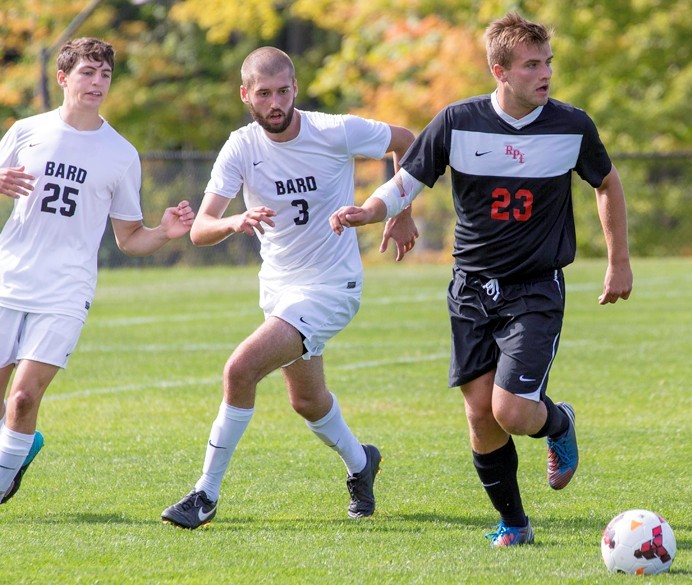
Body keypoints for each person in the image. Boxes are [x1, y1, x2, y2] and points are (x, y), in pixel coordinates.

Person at [330, 12, 632, 546]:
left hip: (535, 288)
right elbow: (410, 179)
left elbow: (605, 182)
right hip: (471, 287)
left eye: (548, 63)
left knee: (511, 409)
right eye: (532, 65)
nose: (545, 74)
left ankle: (558, 423)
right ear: (500, 71)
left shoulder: (571, 125)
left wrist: (619, 260)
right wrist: (369, 210)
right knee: (480, 413)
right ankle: (515, 523)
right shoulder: (456, 121)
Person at [161, 47, 416, 529]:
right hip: (279, 290)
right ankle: (362, 463)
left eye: (283, 91)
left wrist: (401, 210)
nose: (275, 102)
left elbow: (408, 141)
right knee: (307, 401)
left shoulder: (333, 130)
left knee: (239, 370)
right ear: (246, 95)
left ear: (295, 89)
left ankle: (205, 495)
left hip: (331, 287)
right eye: (264, 94)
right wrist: (236, 220)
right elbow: (201, 228)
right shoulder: (240, 146)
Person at [0, 38, 195, 505]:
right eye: (88, 73)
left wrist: (165, 232)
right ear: (64, 78)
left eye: (105, 75)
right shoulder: (26, 131)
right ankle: (19, 451)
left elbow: (129, 238)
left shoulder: (120, 154)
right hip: (8, 279)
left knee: (24, 399)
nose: (97, 82)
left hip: (66, 291)